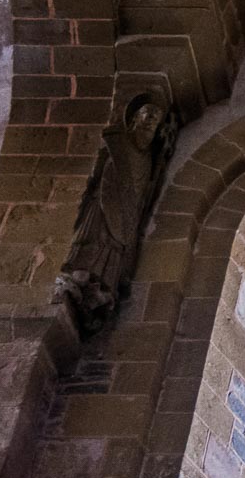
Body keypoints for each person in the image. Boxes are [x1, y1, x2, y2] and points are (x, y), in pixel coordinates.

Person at [56, 94, 175, 333]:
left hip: (127, 214)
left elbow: (146, 191)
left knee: (114, 244)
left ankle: (101, 287)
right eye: (148, 113)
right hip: (101, 206)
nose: (152, 120)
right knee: (97, 237)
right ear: (133, 118)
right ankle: (79, 279)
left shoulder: (149, 157)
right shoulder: (115, 142)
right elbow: (97, 176)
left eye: (156, 118)